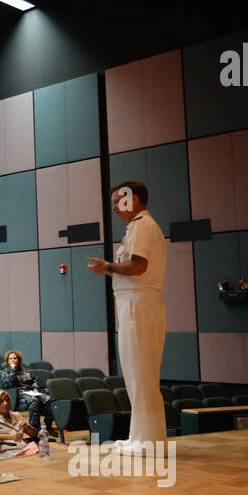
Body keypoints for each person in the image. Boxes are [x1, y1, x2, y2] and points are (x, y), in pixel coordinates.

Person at [87, 180, 167, 450]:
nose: (113, 208)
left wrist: (109, 266)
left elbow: (138, 266)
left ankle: (148, 441)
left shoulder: (143, 226)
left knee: (141, 374)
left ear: (133, 200)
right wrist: (109, 270)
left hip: (138, 304)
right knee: (136, 375)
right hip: (135, 303)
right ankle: (140, 437)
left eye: (117, 201)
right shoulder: (138, 226)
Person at [0, 350, 57, 439]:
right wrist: (13, 370)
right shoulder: (6, 372)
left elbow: (35, 380)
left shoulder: (26, 370)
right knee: (34, 400)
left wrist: (35, 389)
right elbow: (8, 385)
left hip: (30, 392)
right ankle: (34, 429)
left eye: (15, 358)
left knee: (49, 398)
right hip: (17, 394)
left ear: (19, 360)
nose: (12, 360)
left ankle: (48, 426)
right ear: (8, 361)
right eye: (10, 359)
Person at [0, 394, 45, 459]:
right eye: (1, 401)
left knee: (46, 455)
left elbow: (34, 434)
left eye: (7, 400)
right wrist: (9, 436)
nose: (6, 403)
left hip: (24, 447)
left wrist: (27, 427)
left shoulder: (16, 415)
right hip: (8, 450)